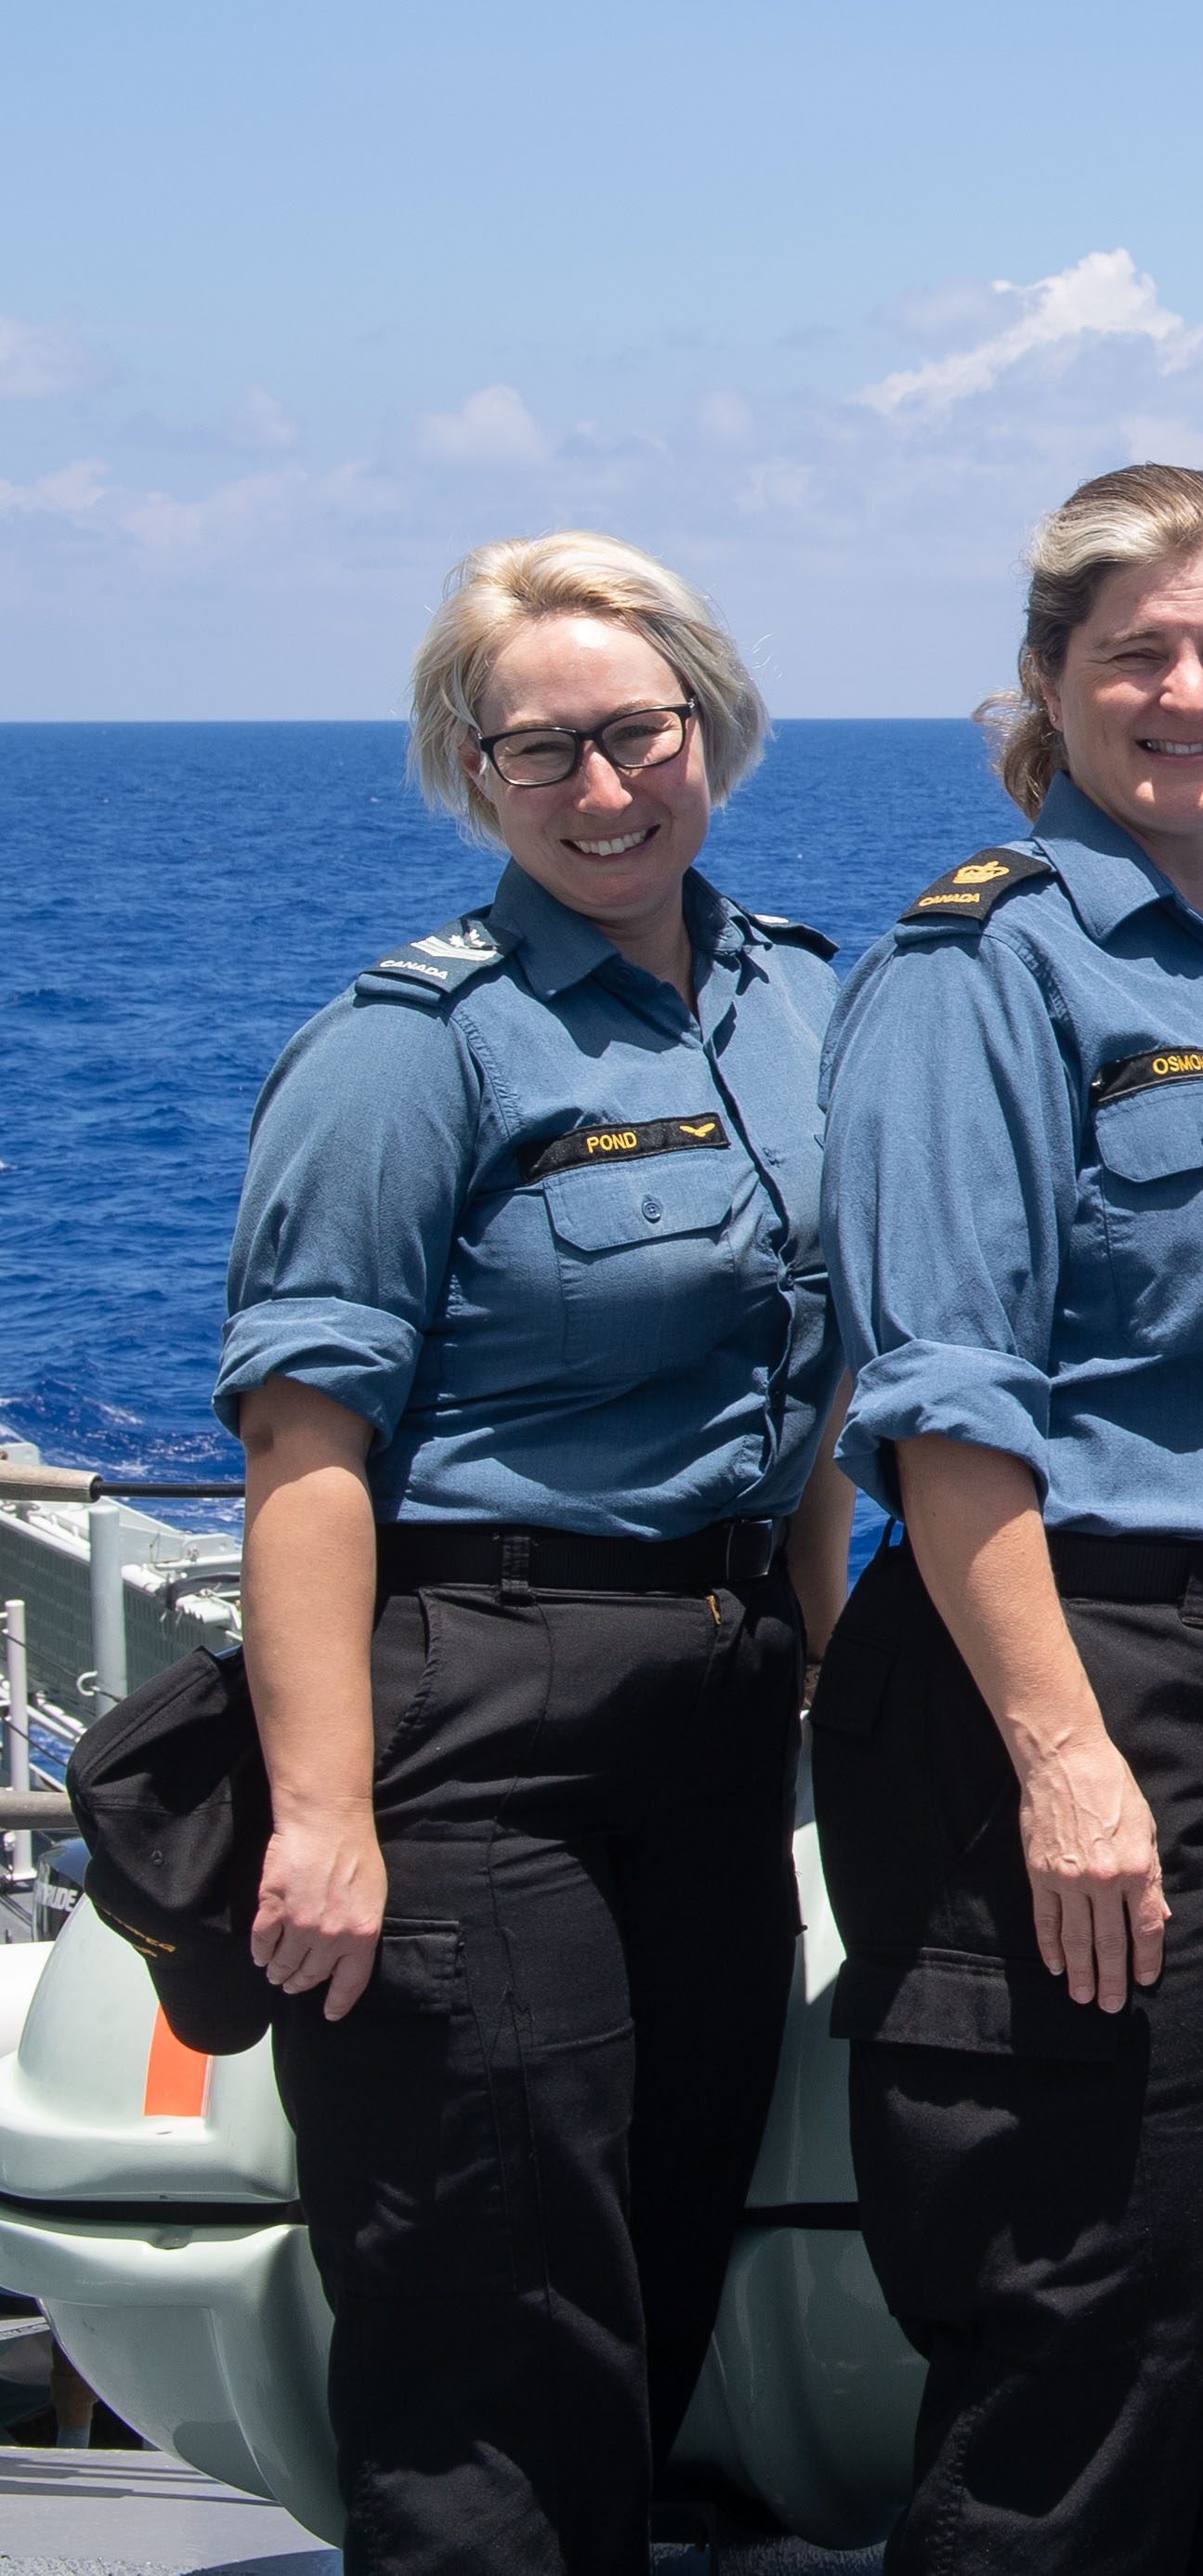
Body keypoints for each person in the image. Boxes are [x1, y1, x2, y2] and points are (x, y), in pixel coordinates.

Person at [219, 531, 852, 2575]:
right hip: (474, 1719)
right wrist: (320, 1813)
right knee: (495, 2317)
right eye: (541, 750)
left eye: (639, 734)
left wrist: (837, 1663)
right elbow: (308, 1444)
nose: (604, 791)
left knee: (649, 2278)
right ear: (469, 772)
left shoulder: (807, 1010)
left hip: (720, 1710)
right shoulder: (417, 1047)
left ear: (714, 729)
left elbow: (819, 1392)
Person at [813, 464, 1203, 2576]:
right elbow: (944, 1409)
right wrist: (1067, 1765)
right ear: (1048, 682)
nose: (1187, 690)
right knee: (1081, 2337)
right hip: (1057, 1681)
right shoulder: (982, 975)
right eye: (1134, 653)